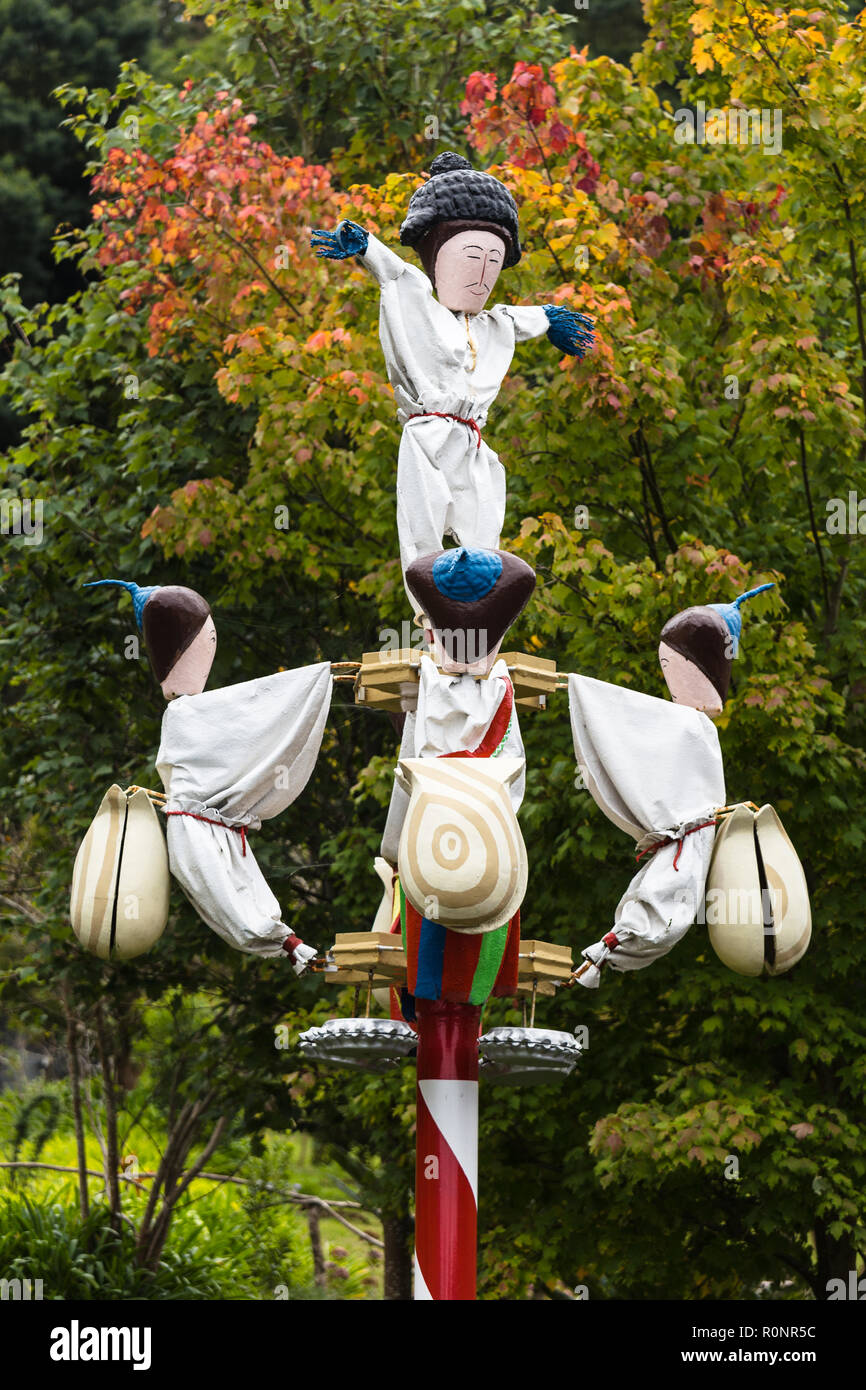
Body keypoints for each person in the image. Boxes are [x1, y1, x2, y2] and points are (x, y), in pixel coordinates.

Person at [311, 151, 594, 610]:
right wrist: (364, 246)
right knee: (424, 533)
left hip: (473, 440)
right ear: (437, 256)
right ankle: (430, 618)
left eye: (493, 261)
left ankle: (479, 616)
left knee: (483, 529)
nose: (482, 273)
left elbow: (525, 318)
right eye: (471, 257)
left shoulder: (491, 323)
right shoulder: (418, 300)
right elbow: (393, 271)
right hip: (428, 432)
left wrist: (551, 320)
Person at [84, 579, 332, 972]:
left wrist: (324, 677)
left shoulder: (189, 714)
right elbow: (256, 707)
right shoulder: (186, 714)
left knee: (239, 895)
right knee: (234, 899)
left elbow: (250, 712)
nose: (211, 647)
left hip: (209, 826)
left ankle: (289, 944)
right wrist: (323, 676)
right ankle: (288, 943)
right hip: (199, 828)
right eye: (208, 638)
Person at [569, 584, 775, 987]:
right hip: (682, 839)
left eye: (672, 665)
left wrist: (576, 685)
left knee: (663, 897)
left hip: (686, 838)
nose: (668, 676)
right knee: (659, 896)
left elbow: (630, 714)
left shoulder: (692, 727)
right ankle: (609, 949)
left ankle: (610, 948)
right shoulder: (692, 726)